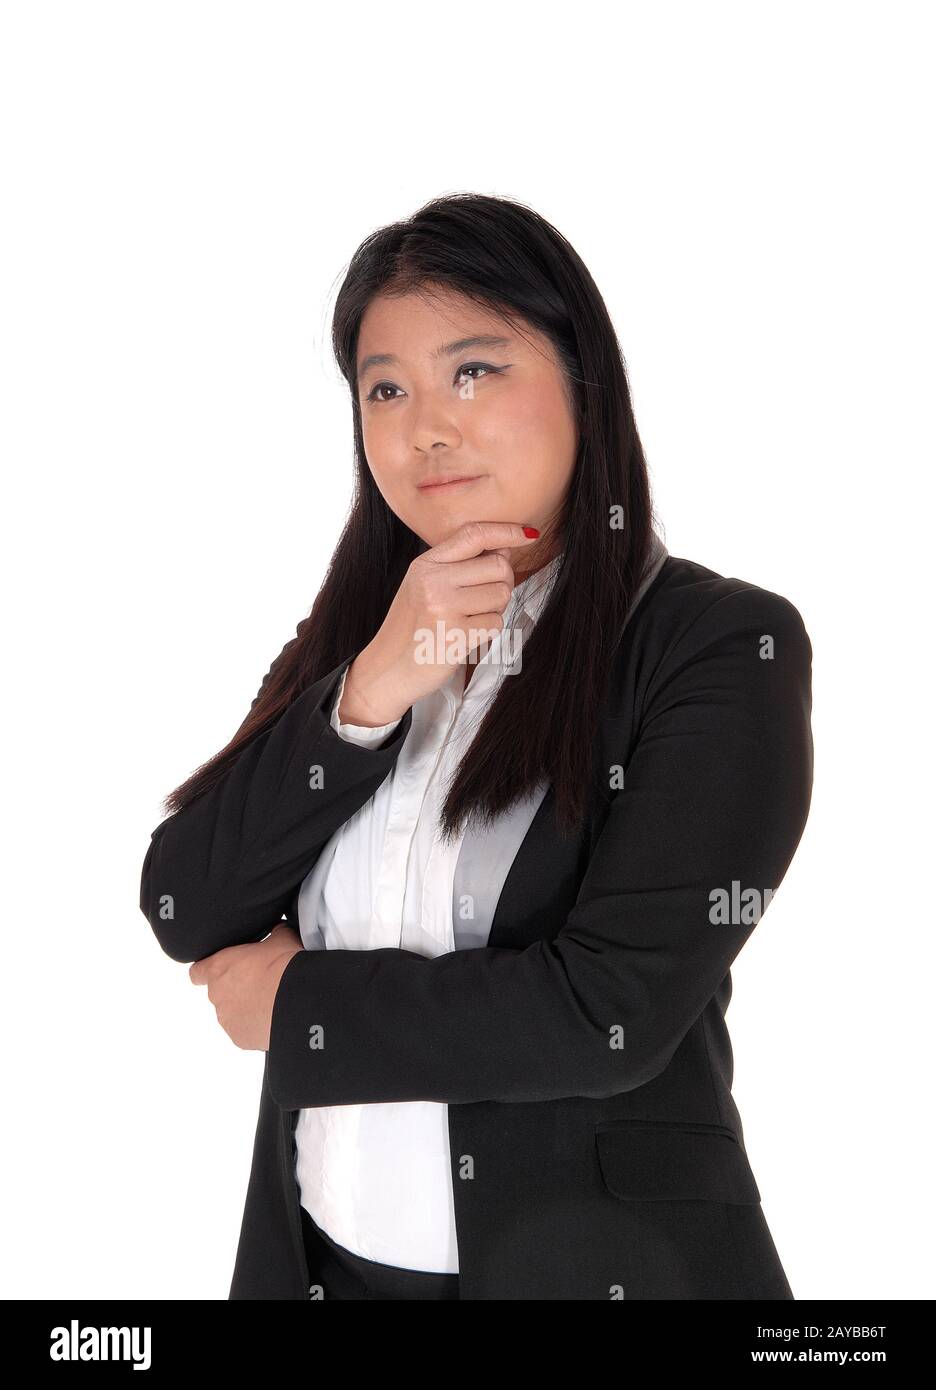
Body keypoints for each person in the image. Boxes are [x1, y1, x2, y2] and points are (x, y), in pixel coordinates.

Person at [139, 192, 813, 1300]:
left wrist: (299, 1005)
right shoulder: (354, 637)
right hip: (317, 1266)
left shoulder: (718, 646)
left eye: (474, 370)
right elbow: (184, 900)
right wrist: (369, 689)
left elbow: (606, 1014)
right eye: (385, 387)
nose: (425, 426)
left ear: (583, 382)